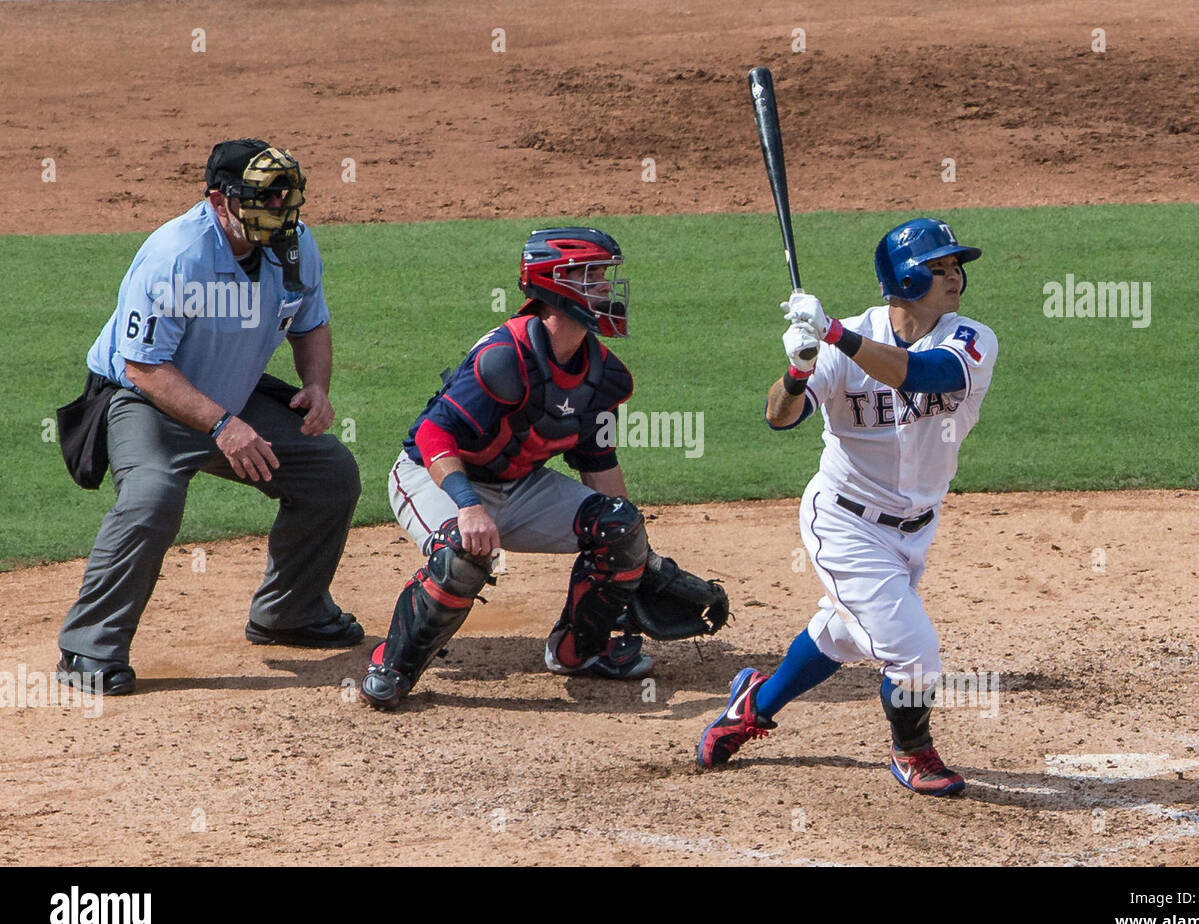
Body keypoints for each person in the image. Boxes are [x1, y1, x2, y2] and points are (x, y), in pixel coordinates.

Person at [696, 218, 998, 796]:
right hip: (842, 522)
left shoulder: (970, 339)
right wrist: (800, 368)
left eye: (956, 266)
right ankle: (912, 752)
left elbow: (923, 376)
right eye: (939, 268)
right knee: (913, 653)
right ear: (905, 278)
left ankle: (752, 705)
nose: (954, 276)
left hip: (916, 528)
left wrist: (833, 333)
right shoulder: (841, 343)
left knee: (842, 633)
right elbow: (778, 418)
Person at [55, 138, 362, 696]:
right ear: (220, 201)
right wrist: (222, 425)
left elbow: (310, 321)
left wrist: (316, 386)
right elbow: (144, 366)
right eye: (264, 197)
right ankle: (88, 649)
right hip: (146, 400)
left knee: (329, 471)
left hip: (234, 396)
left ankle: (288, 614)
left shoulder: (291, 245)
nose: (279, 208)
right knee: (151, 497)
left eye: (284, 195)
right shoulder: (178, 254)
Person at [361, 227, 655, 710]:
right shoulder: (503, 358)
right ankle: (393, 664)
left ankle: (580, 650)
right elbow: (434, 434)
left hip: (521, 487)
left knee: (619, 527)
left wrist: (641, 556)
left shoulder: (605, 375)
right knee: (461, 555)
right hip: (434, 475)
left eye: (606, 276)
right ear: (555, 286)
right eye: (593, 277)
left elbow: (600, 467)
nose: (606, 289)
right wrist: (468, 505)